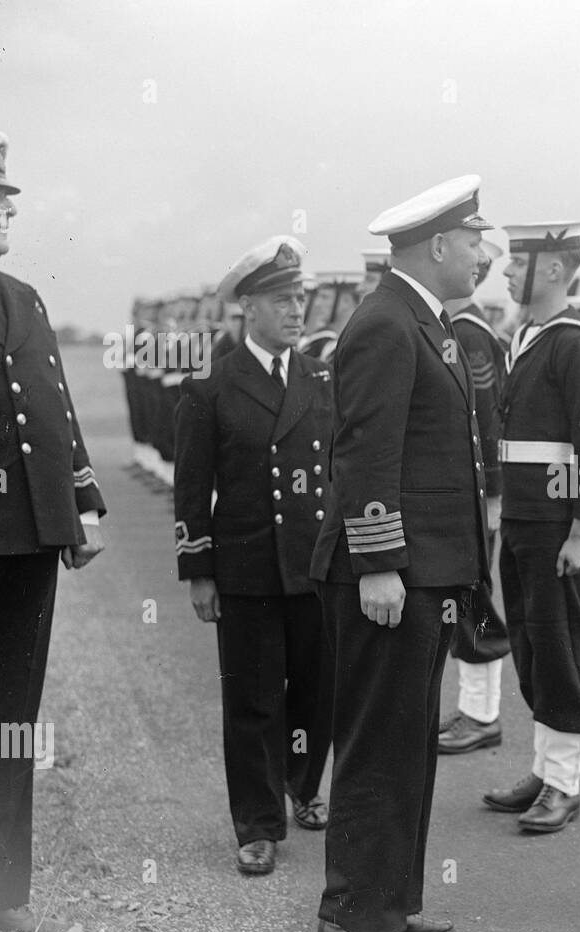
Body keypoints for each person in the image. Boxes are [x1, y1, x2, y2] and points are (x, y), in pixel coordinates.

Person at [309, 175, 492, 932]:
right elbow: (365, 452)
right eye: (476, 239)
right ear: (440, 245)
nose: (485, 254)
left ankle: (391, 899)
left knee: (408, 746)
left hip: (425, 575)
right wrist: (379, 563)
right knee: (380, 747)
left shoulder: (421, 320)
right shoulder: (389, 324)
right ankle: (354, 914)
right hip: (392, 578)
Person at [0, 130, 107, 932]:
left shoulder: (22, 298)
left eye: (10, 194)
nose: (9, 205)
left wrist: (79, 505)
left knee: (6, 717)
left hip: (26, 539)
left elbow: (51, 408)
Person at [173, 236, 334, 876]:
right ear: (250, 309)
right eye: (283, 300)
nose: (298, 311)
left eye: (301, 298)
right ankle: (259, 823)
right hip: (245, 567)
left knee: (318, 691)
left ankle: (304, 785)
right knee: (253, 700)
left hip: (315, 566)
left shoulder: (325, 377)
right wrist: (198, 572)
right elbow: (191, 488)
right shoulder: (210, 386)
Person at [479, 221, 580, 831]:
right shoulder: (528, 336)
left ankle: (564, 783)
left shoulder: (572, 342)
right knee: (530, 644)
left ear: (553, 269)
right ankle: (544, 769)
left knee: (559, 649)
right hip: (525, 519)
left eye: (516, 264)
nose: (504, 273)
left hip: (557, 523)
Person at [438, 239, 514, 754]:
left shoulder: (468, 332)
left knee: (473, 599)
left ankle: (482, 713)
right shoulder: (458, 327)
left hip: (477, 492)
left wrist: (490, 496)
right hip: (466, 491)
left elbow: (484, 417)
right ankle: (473, 707)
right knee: (464, 598)